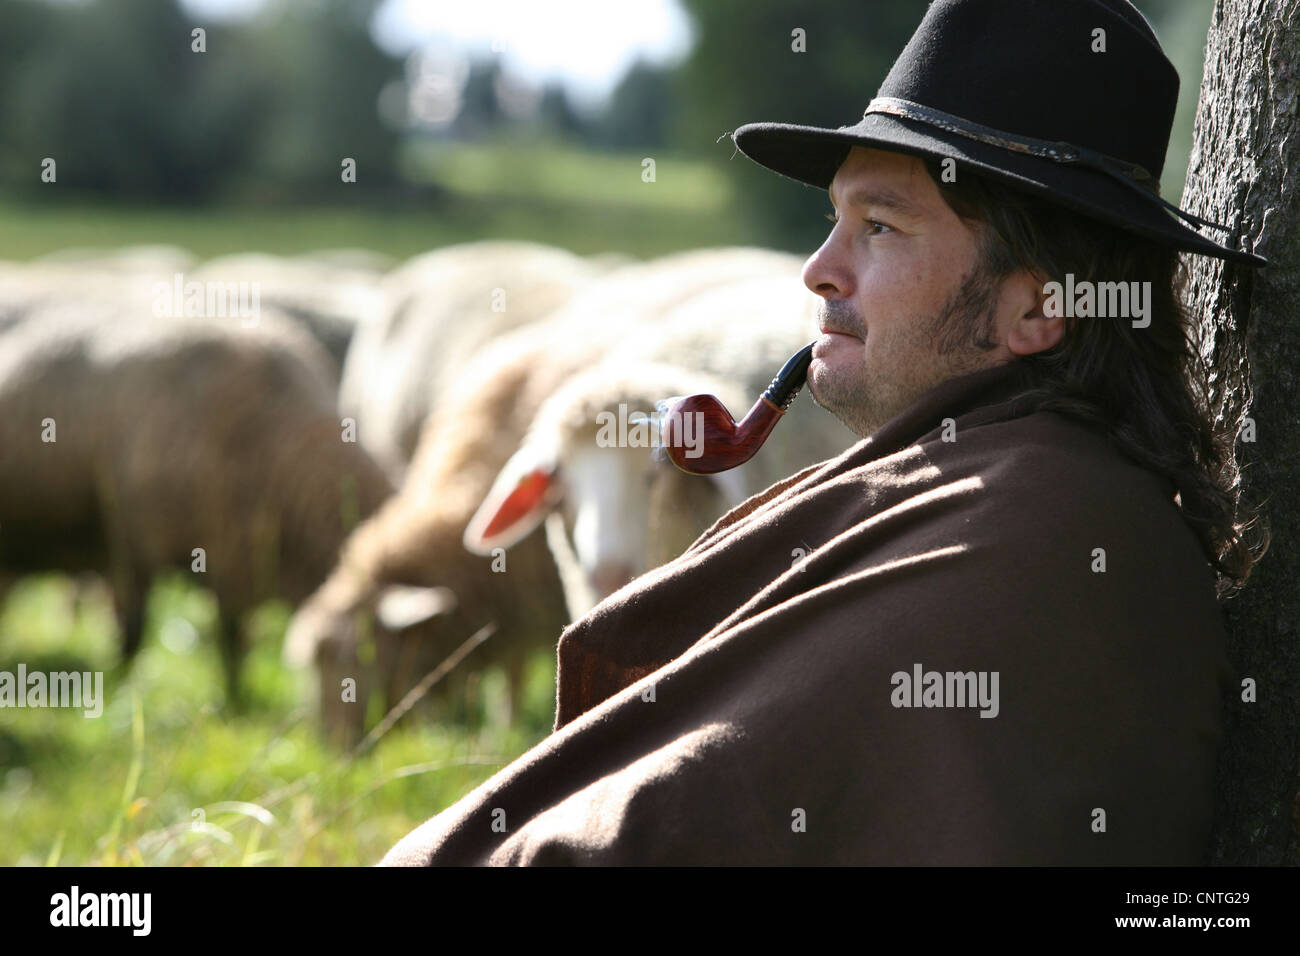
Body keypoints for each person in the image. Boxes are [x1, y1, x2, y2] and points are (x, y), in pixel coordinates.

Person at [381, 0, 1267, 865]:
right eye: (833, 221)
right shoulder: (1027, 490)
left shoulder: (1020, 533)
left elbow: (676, 814)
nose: (817, 270)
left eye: (879, 227)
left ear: (1035, 306)